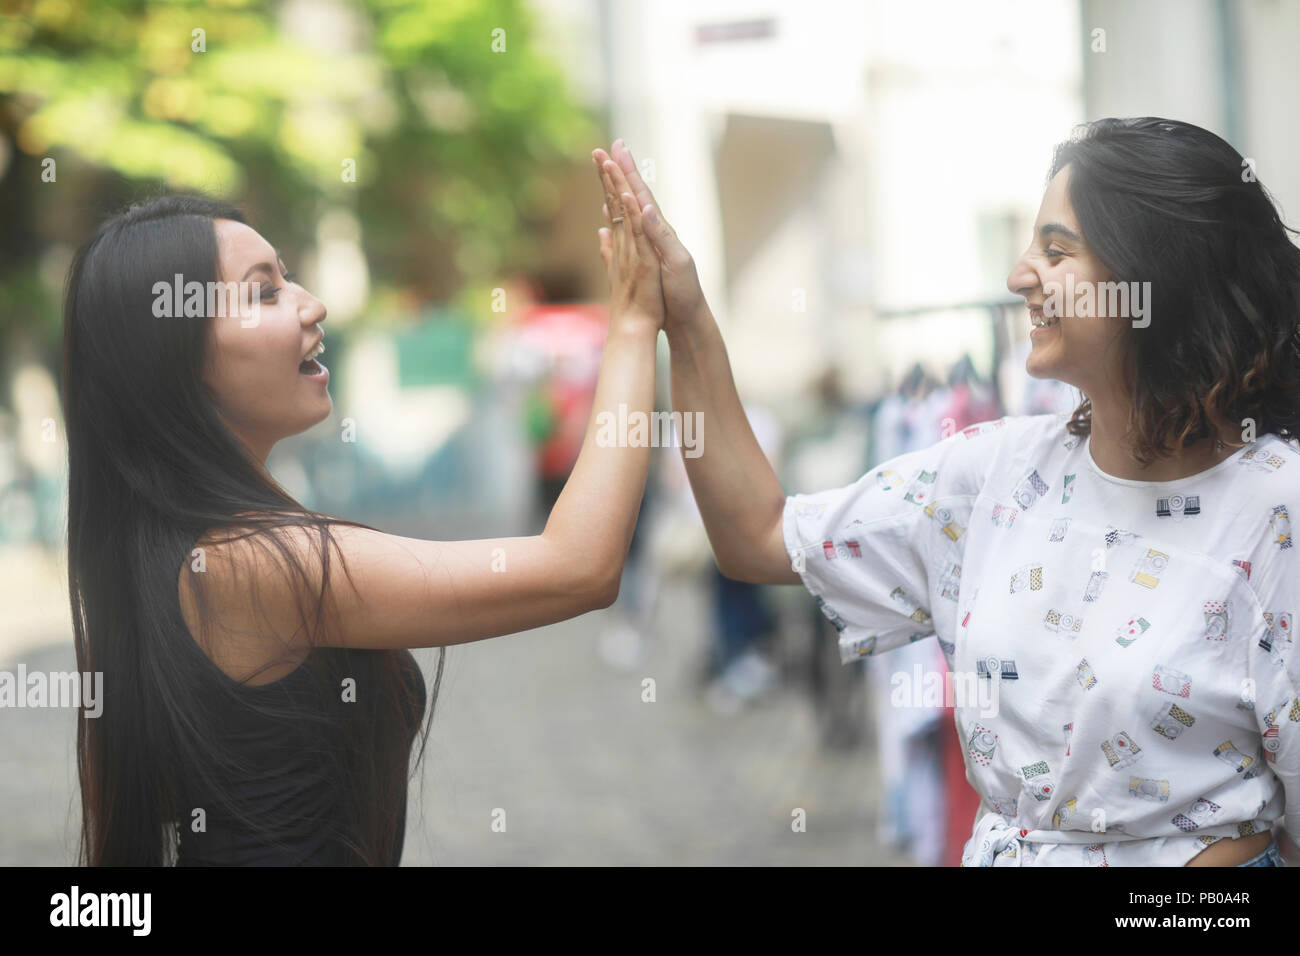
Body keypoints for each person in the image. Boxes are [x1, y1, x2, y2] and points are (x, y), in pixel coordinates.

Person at [595, 117, 1300, 866]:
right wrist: (690, 319)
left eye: (1057, 250)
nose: (1019, 274)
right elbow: (759, 537)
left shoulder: (1274, 508)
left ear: (1150, 280)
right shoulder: (992, 476)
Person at [64, 152, 662, 865]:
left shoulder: (161, 545)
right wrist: (630, 323)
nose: (311, 303)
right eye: (263, 294)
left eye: (288, 278)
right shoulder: (249, 562)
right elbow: (579, 567)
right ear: (174, 355)